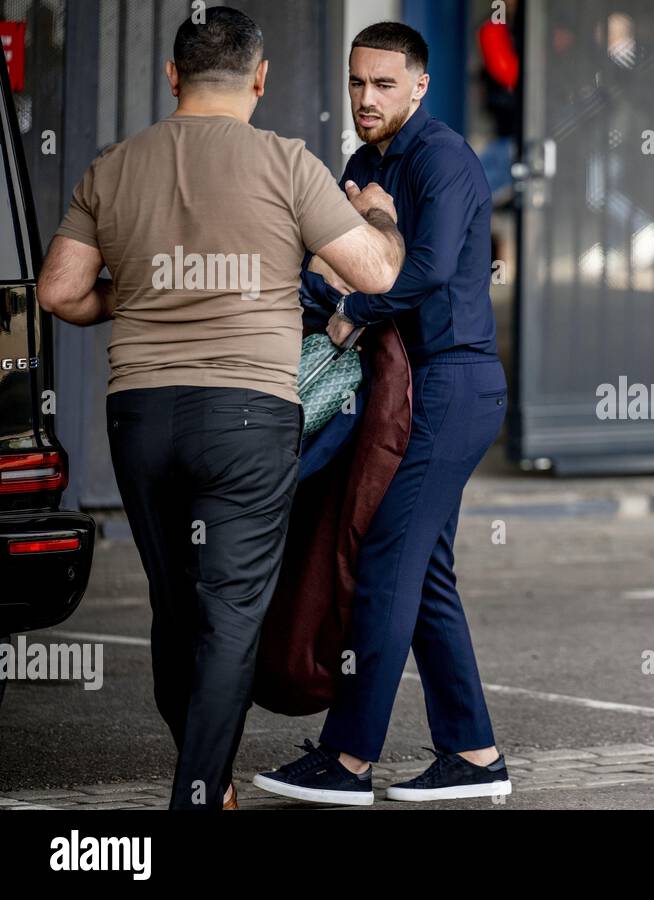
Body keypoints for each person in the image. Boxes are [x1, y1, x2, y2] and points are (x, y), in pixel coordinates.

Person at [36, 7, 404, 811]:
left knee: (177, 606)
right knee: (232, 612)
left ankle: (214, 784)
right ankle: (198, 795)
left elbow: (59, 292)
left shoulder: (113, 164)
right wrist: (377, 211)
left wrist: (136, 295)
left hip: (141, 414)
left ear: (172, 77)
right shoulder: (287, 162)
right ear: (260, 80)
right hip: (246, 416)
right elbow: (374, 273)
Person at [254, 22, 510, 805]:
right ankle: (473, 757)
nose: (367, 98)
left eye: (385, 85)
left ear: (421, 86)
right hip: (404, 389)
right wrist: (328, 290)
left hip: (453, 385)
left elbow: (426, 274)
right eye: (358, 83)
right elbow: (323, 257)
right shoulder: (364, 162)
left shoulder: (442, 159)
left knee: (384, 565)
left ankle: (350, 760)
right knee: (424, 574)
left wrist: (351, 307)